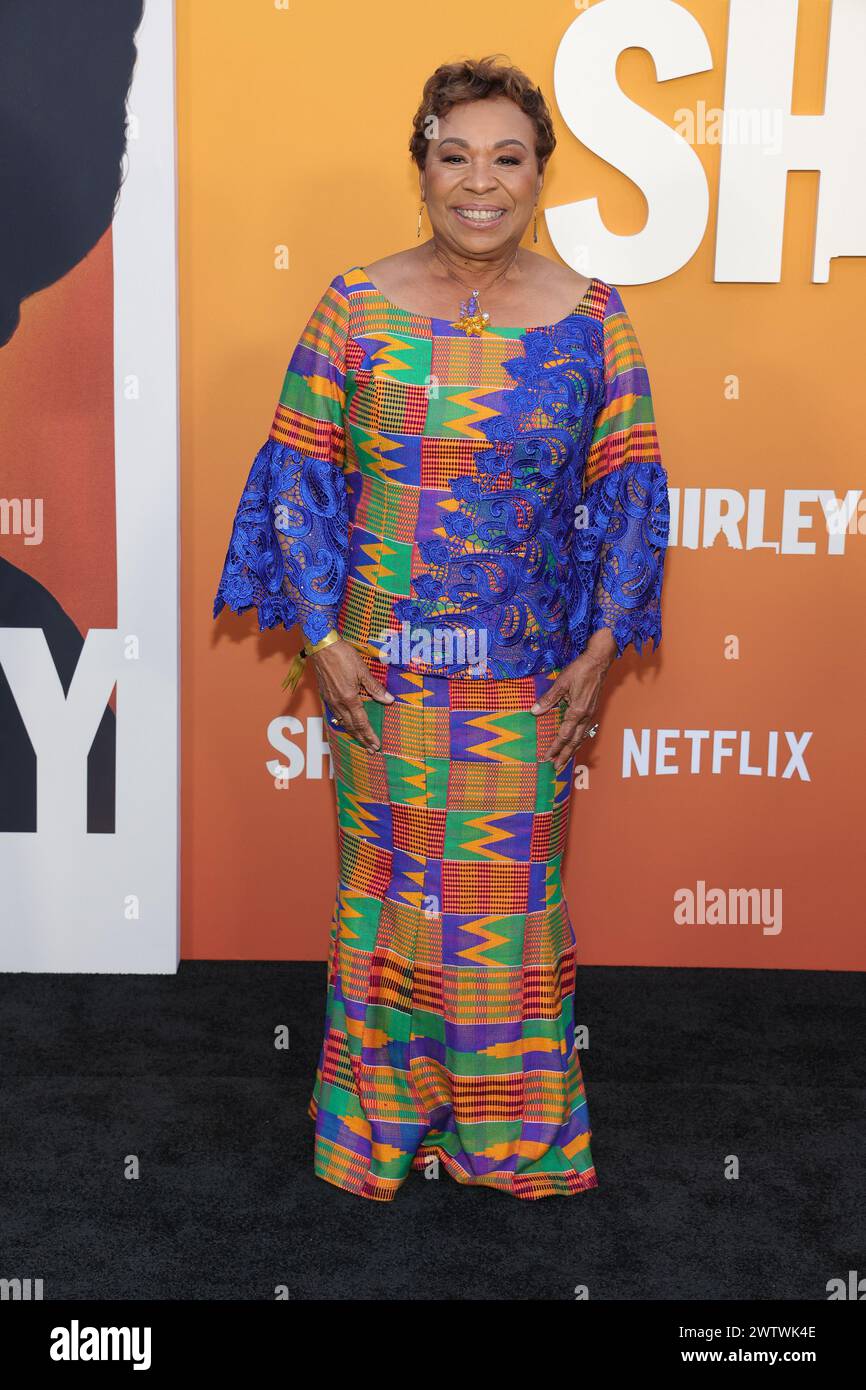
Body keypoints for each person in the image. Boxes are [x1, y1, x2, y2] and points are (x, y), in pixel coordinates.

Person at [213, 55, 670, 1201]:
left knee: (508, 915)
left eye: (506, 157)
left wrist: (601, 646)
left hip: (523, 687)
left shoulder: (592, 321)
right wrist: (319, 636)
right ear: (419, 167)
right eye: (453, 154)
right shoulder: (351, 305)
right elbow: (296, 479)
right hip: (380, 680)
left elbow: (626, 491)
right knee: (388, 904)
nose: (480, 181)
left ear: (539, 174)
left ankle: (506, 1142)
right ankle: (376, 1133)